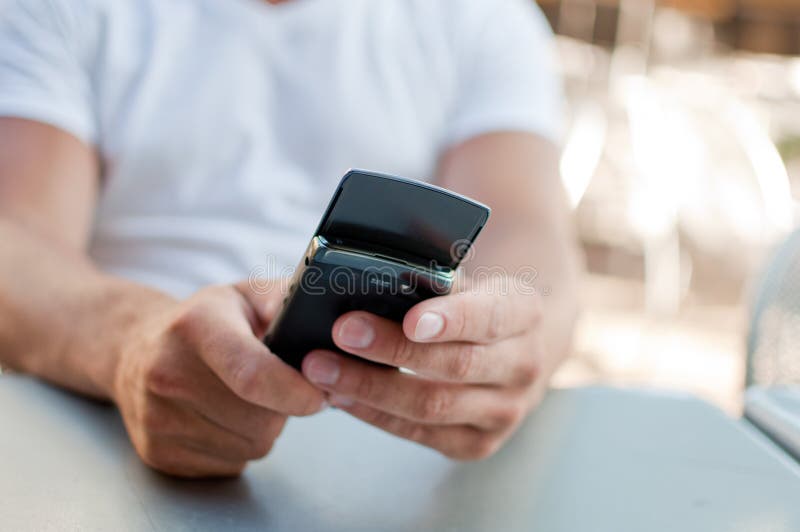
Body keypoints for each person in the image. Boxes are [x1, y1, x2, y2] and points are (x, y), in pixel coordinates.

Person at [0, 0, 581, 478]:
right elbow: (18, 243)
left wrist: (514, 337)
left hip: (388, 458)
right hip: (102, 434)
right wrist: (131, 345)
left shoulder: (483, 18)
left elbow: (531, 237)